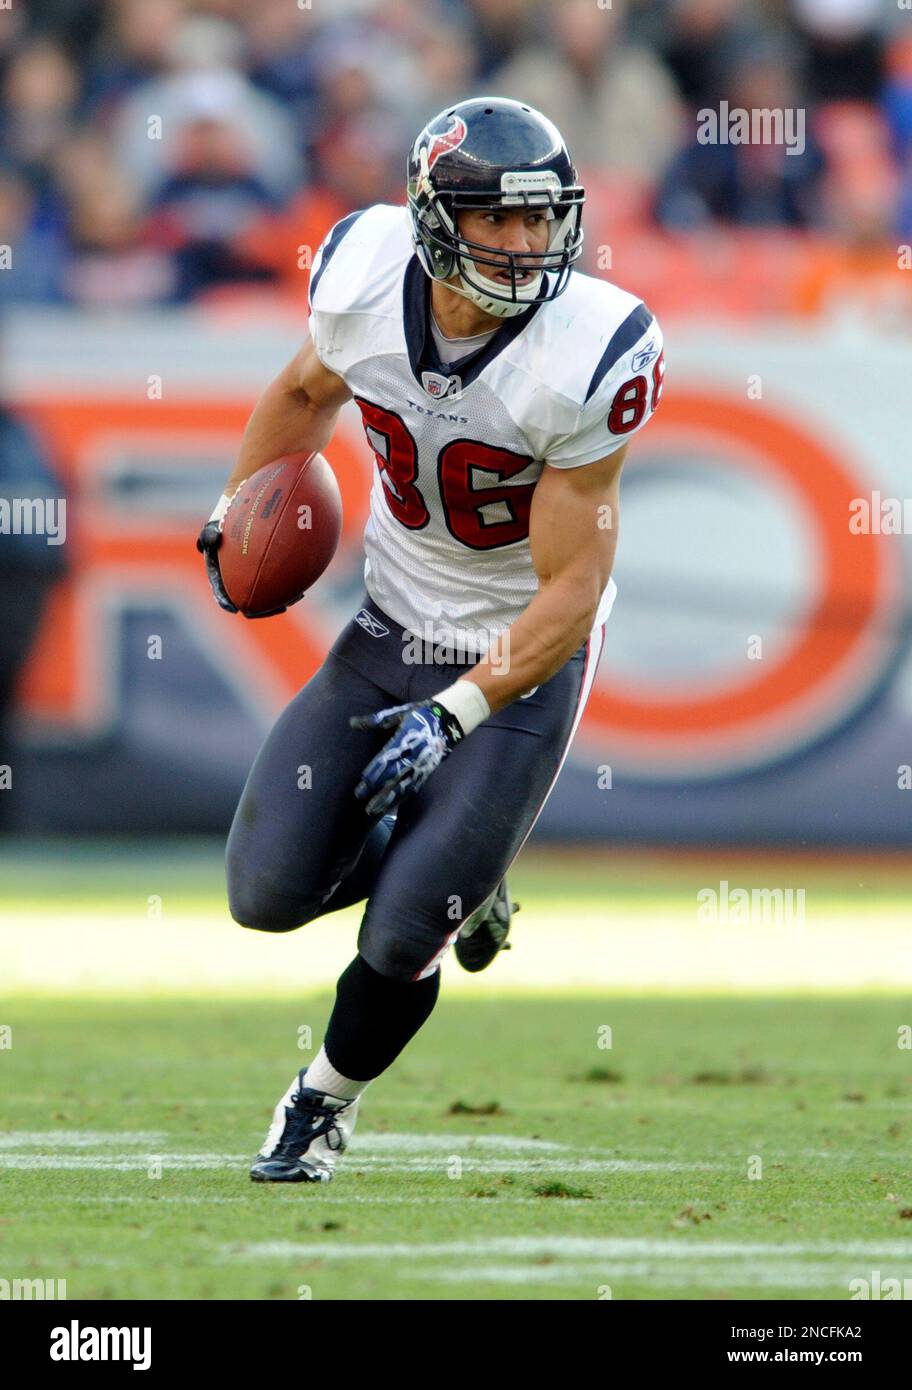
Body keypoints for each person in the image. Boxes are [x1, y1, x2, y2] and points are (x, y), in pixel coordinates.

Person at [197, 97, 664, 1184]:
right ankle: (466, 855)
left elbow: (573, 587)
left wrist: (456, 714)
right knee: (264, 893)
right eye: (496, 221)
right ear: (429, 215)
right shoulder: (362, 274)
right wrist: (237, 511)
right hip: (390, 623)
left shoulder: (589, 348)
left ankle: (321, 1103)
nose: (524, 243)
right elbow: (302, 393)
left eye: (542, 220)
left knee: (408, 929)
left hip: (520, 657)